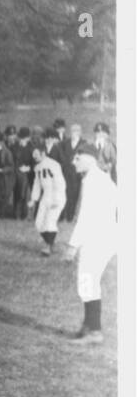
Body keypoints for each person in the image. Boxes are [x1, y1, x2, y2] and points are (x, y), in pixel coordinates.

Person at [63, 147, 116, 345]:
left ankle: (94, 331)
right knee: (86, 281)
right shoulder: (97, 178)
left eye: (77, 158)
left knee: (87, 280)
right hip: (102, 237)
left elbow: (86, 218)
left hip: (99, 238)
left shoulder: (95, 181)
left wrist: (72, 246)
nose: (73, 162)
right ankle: (88, 325)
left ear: (89, 159)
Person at [29, 143, 66, 256]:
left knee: (50, 221)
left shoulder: (54, 164)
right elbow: (37, 185)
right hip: (46, 195)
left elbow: (60, 183)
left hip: (56, 195)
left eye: (36, 154)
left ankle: (48, 247)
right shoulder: (37, 167)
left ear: (43, 153)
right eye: (33, 154)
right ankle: (51, 244)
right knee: (38, 223)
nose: (34, 156)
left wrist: (56, 199)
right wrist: (33, 199)